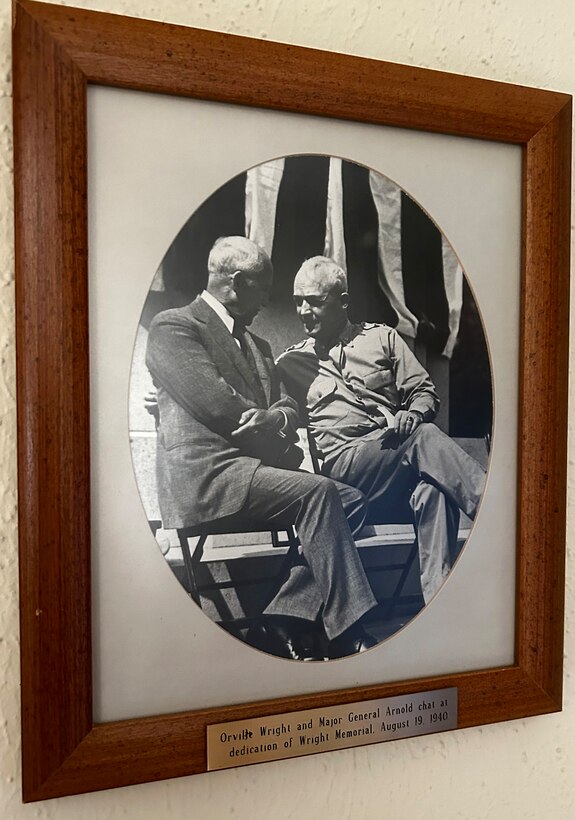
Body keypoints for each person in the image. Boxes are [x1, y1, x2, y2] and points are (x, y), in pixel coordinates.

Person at [146, 237, 379, 661]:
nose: (268, 301)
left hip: (253, 472)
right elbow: (219, 408)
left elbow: (288, 404)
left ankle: (282, 617)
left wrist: (276, 419)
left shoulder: (260, 345)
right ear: (236, 283)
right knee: (321, 492)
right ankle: (349, 631)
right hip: (209, 476)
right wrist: (276, 432)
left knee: (353, 501)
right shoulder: (175, 327)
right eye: (263, 288)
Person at [277, 256, 487, 604]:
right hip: (346, 474)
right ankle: (495, 514)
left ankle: (439, 603)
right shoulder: (290, 363)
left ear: (342, 302)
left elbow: (423, 390)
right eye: (297, 301)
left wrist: (413, 413)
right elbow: (266, 408)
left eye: (314, 301)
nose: (303, 310)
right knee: (422, 438)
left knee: (432, 491)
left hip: (394, 470)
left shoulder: (383, 338)